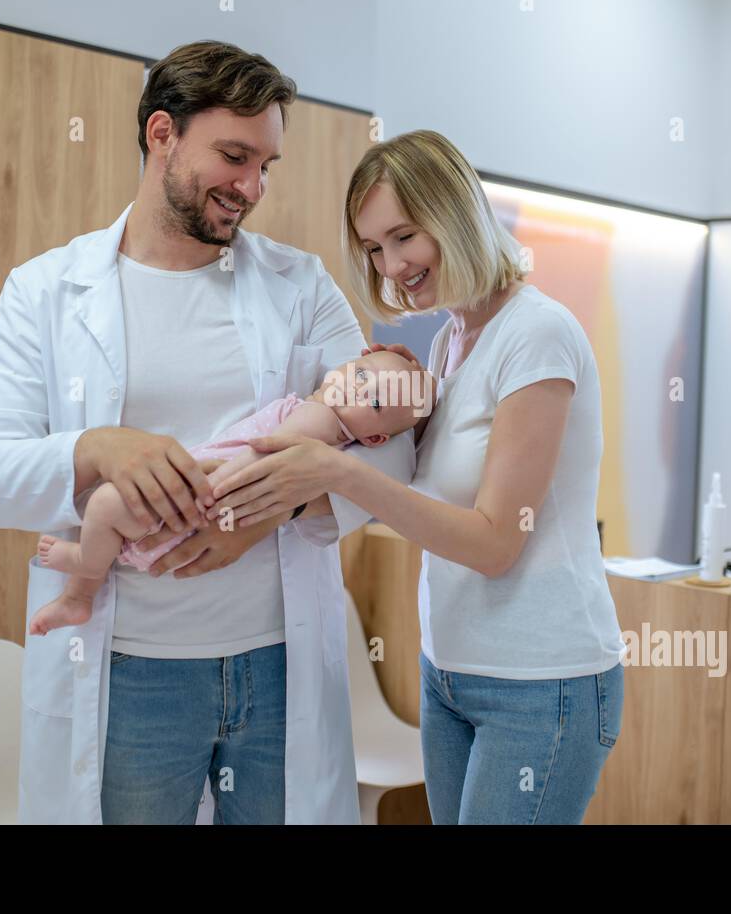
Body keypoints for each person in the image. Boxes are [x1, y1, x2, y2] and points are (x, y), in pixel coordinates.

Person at [0, 41, 414, 824]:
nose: (252, 187)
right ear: (161, 133)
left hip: (280, 668)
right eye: (234, 156)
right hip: (131, 677)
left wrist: (273, 506)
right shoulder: (44, 292)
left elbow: (392, 443)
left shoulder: (298, 286)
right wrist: (95, 447)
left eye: (266, 165)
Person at [208, 130, 627, 824]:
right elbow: (414, 498)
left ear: (455, 213)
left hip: (542, 684)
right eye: (374, 248)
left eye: (404, 236)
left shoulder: (537, 334)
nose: (392, 264)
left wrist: (338, 471)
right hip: (450, 674)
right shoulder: (451, 343)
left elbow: (495, 544)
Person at [29, 350, 435, 634]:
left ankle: (83, 574)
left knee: (105, 503)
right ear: (349, 363)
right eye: (362, 375)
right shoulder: (323, 421)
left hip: (206, 491)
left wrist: (211, 493)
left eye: (376, 402)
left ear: (376, 436)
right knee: (118, 516)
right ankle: (81, 590)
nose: (359, 391)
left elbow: (266, 457)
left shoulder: (320, 419)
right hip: (206, 497)